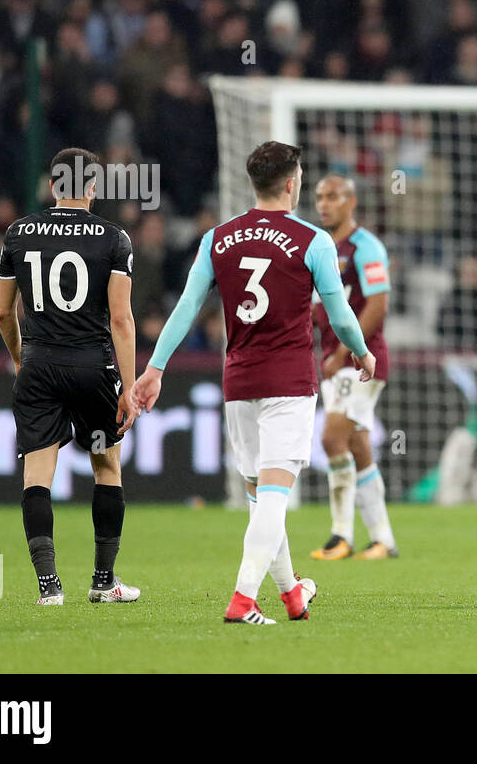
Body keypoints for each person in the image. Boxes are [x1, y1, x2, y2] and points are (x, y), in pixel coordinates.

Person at [130, 141, 374, 624]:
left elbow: (185, 307)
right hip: (288, 381)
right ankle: (243, 600)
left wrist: (155, 367)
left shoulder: (217, 238)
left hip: (238, 382)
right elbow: (340, 316)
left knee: (264, 498)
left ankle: (291, 596)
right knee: (274, 498)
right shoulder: (313, 240)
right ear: (291, 183)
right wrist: (362, 352)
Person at [0, 147, 140, 606]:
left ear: (53, 186)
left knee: (37, 471)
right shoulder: (114, 239)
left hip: (39, 369)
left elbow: (2, 312)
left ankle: (48, 588)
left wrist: (21, 358)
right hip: (92, 370)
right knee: (105, 465)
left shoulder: (18, 234)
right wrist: (129, 386)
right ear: (93, 188)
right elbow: (121, 319)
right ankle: (103, 582)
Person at [308, 174, 399, 561]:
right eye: (319, 198)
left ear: (351, 202)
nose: (324, 204)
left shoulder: (366, 246)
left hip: (361, 360)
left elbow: (378, 305)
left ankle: (340, 536)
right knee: (358, 446)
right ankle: (383, 539)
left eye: (333, 197)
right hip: (335, 361)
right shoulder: (320, 247)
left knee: (331, 439)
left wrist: (345, 353)